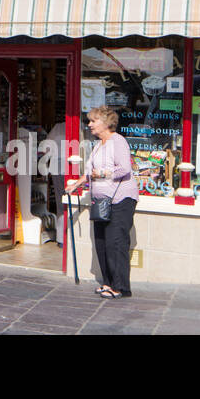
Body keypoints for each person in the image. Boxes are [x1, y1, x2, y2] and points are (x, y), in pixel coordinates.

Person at [65, 106, 139, 299]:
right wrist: (77, 184)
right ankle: (107, 282)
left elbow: (124, 169)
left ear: (106, 123)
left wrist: (103, 173)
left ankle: (121, 287)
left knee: (116, 242)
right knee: (101, 242)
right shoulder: (98, 145)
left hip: (120, 200)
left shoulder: (118, 141)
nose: (89, 124)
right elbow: (90, 171)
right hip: (101, 201)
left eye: (93, 121)